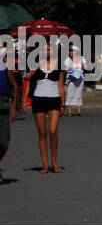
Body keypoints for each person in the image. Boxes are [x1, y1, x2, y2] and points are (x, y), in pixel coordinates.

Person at [25, 41, 65, 173]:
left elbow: (61, 86)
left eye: (49, 49)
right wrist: (24, 101)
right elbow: (29, 83)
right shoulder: (35, 64)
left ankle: (54, 162)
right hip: (39, 99)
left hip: (54, 99)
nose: (48, 52)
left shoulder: (59, 64)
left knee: (53, 131)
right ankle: (45, 164)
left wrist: (63, 103)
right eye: (45, 49)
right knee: (42, 133)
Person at [63, 44, 87, 117]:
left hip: (80, 78)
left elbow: (85, 67)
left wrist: (80, 69)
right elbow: (65, 69)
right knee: (70, 94)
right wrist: (71, 71)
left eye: (72, 51)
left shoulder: (82, 59)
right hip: (71, 78)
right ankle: (70, 112)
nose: (70, 52)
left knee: (79, 94)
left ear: (76, 52)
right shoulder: (68, 59)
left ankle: (79, 111)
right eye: (70, 51)